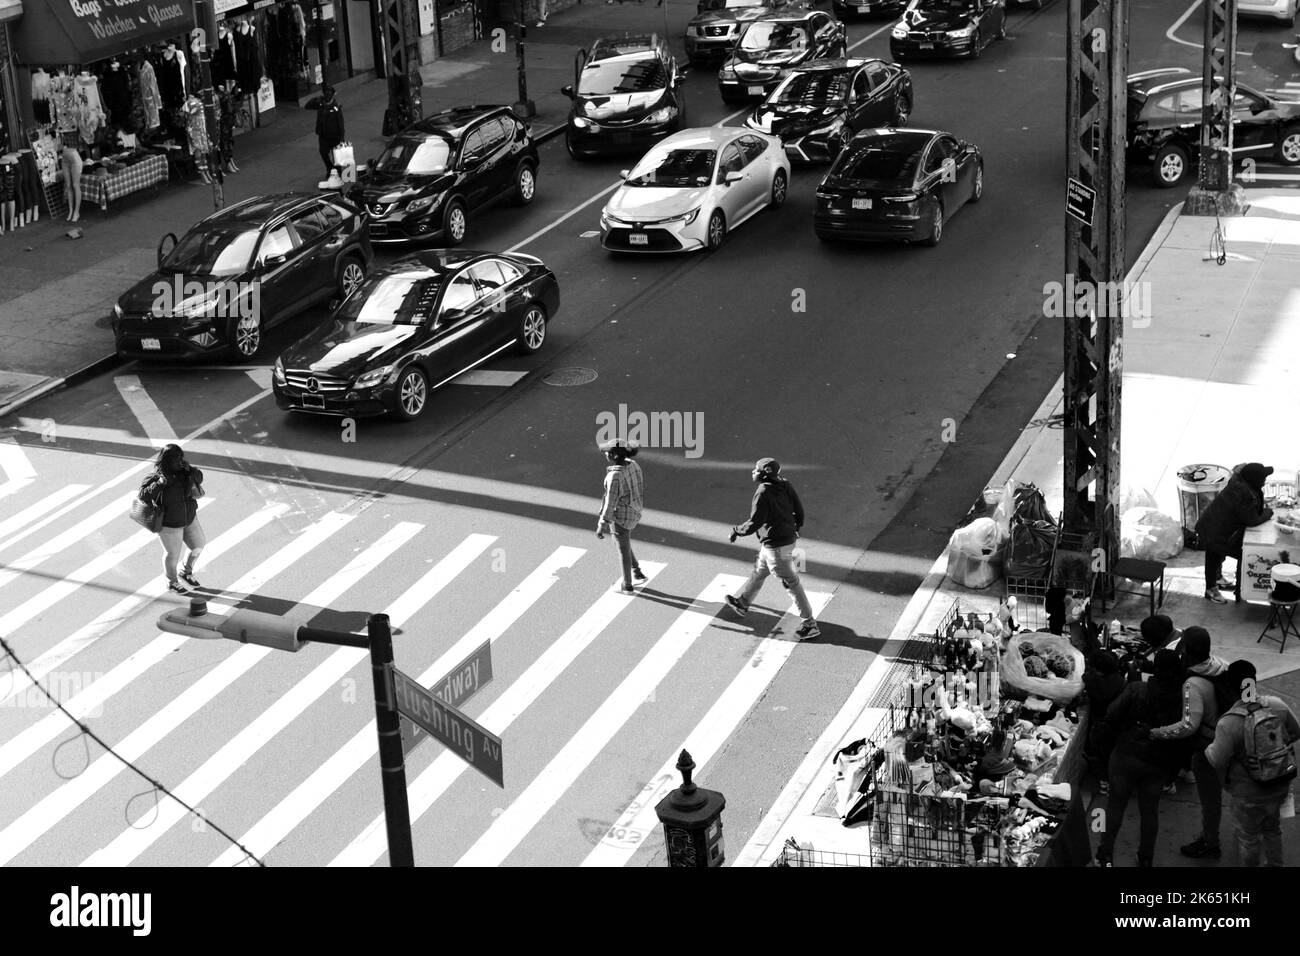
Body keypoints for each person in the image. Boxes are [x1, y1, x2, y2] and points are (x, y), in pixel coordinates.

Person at [1095, 649, 1185, 867]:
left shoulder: (1137, 689)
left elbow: (1112, 713)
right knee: (1149, 811)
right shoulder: (1181, 697)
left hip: (1127, 755)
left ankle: (1105, 855)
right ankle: (1145, 858)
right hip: (1157, 761)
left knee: (1115, 806)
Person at [1206, 660, 1300, 867]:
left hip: (1248, 791)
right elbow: (1295, 731)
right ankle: (1275, 864)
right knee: (1273, 829)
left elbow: (1217, 759)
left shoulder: (1228, 722)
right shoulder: (1277, 705)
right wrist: (1273, 751)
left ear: (1230, 687)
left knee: (1248, 837)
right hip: (1279, 783)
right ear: (1254, 681)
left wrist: (1207, 748)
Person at [1149, 626, 1228, 858]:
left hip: (1209, 748)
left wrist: (1157, 732)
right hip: (1229, 738)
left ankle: (1210, 842)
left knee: (1210, 798)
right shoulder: (1222, 666)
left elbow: (1188, 726)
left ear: (1186, 651)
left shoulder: (1192, 685)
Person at [724, 458, 819, 639]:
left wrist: (736, 531)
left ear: (763, 474)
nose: (753, 472)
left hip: (776, 546)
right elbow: (799, 511)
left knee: (791, 583)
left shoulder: (762, 492)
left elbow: (754, 522)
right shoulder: (785, 484)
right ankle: (743, 603)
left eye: (756, 469)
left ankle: (809, 623)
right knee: (760, 570)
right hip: (786, 539)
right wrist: (795, 528)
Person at [1196, 462, 1274, 604]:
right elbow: (1251, 519)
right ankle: (1211, 589)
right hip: (1214, 529)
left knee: (1216, 553)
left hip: (1214, 523)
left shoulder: (1241, 482)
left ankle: (1217, 579)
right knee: (1237, 553)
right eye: (1263, 478)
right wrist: (1268, 513)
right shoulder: (1244, 493)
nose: (1265, 482)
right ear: (1255, 479)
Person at [141, 444, 206, 593]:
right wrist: (159, 484)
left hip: (189, 517)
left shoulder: (184, 470)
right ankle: (172, 581)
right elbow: (143, 495)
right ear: (168, 460)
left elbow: (199, 479)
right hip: (169, 524)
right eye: (176, 459)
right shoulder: (157, 476)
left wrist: (192, 472)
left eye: (180, 458)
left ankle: (185, 571)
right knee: (172, 554)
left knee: (198, 544)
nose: (179, 461)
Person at [596, 439, 646, 594]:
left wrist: (602, 523)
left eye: (607, 451)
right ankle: (637, 571)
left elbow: (610, 502)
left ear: (613, 455)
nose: (605, 453)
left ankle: (627, 584)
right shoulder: (633, 465)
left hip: (621, 516)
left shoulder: (615, 476)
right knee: (624, 541)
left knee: (622, 548)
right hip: (635, 512)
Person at [1083, 649, 1126, 794]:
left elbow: (1085, 679)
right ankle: (1111, 781)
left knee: (1099, 754)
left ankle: (1104, 782)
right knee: (1111, 753)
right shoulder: (1120, 680)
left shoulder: (1093, 682)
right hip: (1117, 722)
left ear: (1098, 669)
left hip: (1100, 723)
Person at [315, 85, 345, 186]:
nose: (327, 95)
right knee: (323, 152)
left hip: (334, 135)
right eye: (325, 93)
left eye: (329, 94)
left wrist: (342, 137)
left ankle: (338, 174)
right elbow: (307, 106)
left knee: (336, 156)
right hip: (323, 135)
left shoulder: (336, 107)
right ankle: (329, 168)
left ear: (332, 95)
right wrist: (316, 99)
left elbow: (340, 123)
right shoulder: (320, 104)